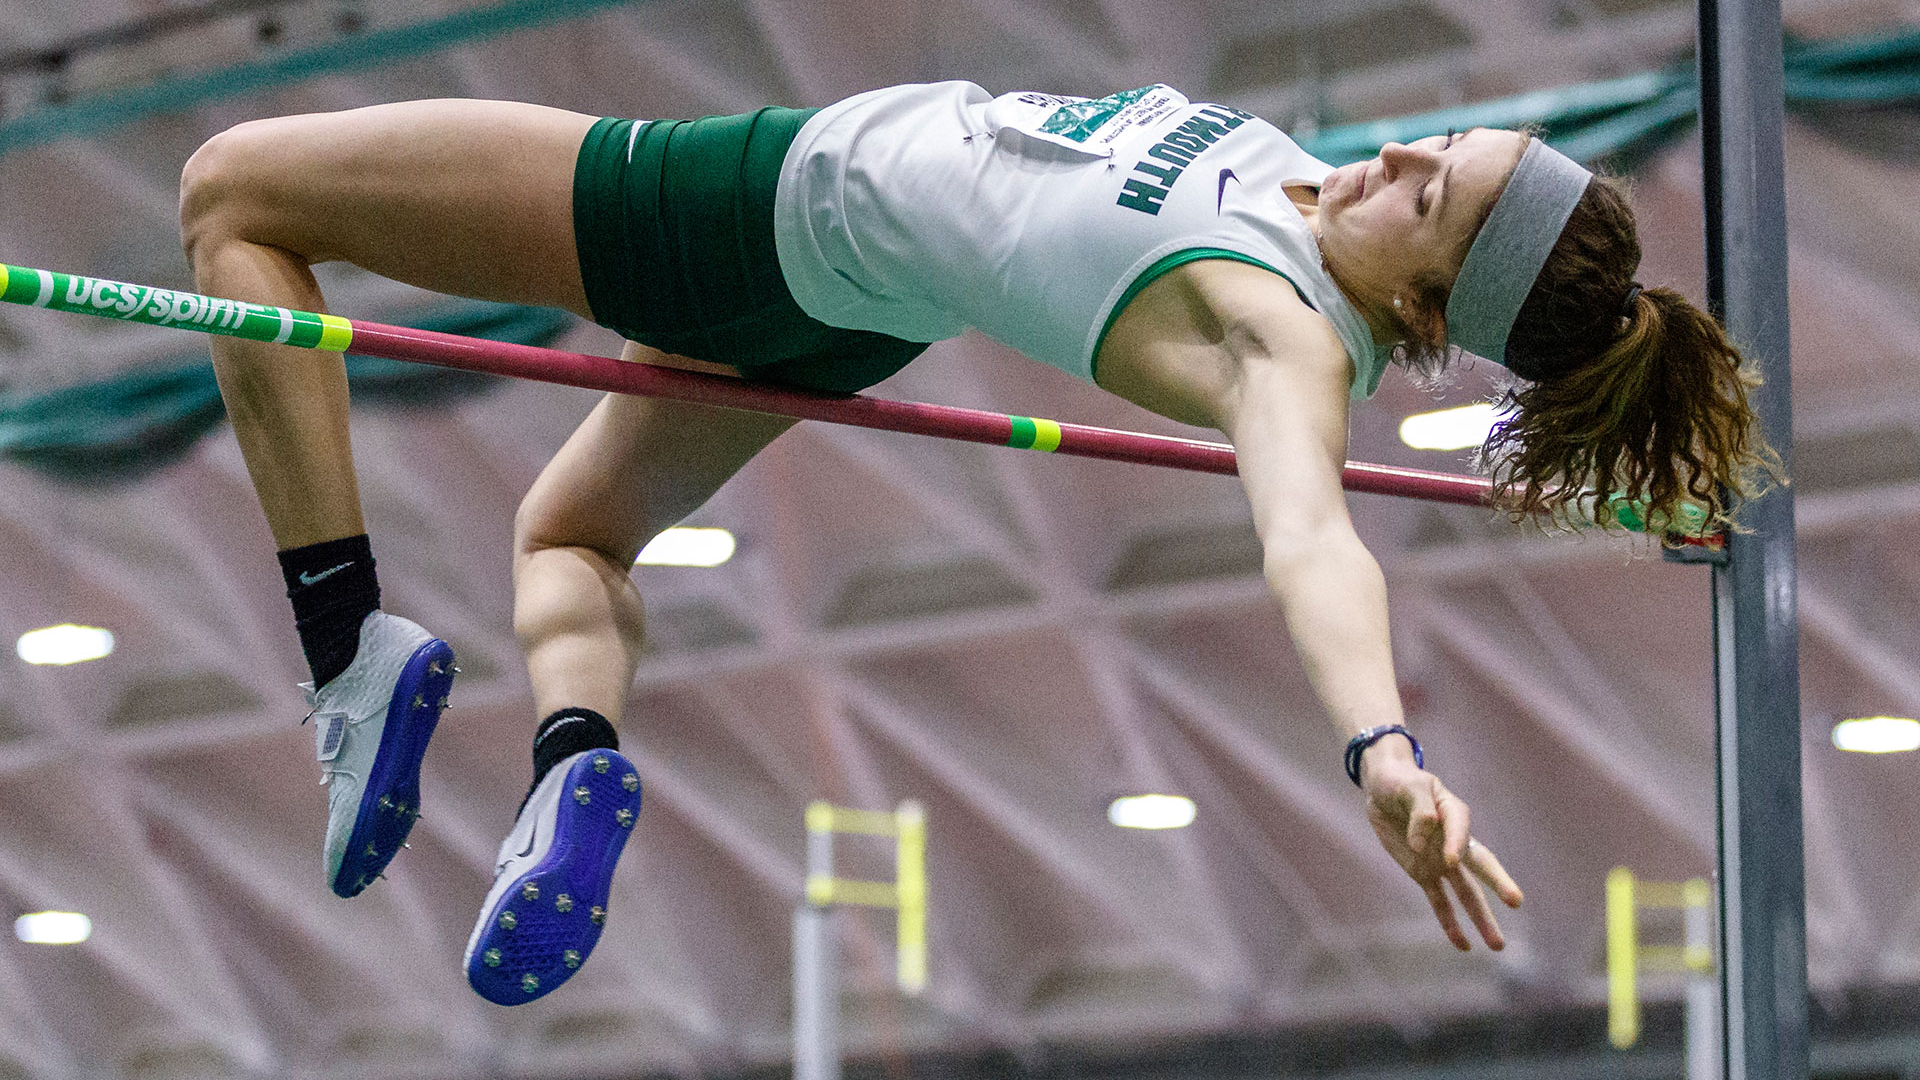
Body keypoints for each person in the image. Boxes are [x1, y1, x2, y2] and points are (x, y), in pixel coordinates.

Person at [177, 81, 1772, 1005]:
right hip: (842, 306)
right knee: (570, 535)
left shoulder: (1279, 335)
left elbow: (1309, 534)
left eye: (1429, 199)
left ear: (1421, 310)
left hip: (743, 214)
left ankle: (344, 650)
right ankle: (570, 758)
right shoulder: (1303, 199)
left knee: (233, 193)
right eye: (1450, 143)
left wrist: (1380, 748)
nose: (1404, 155)